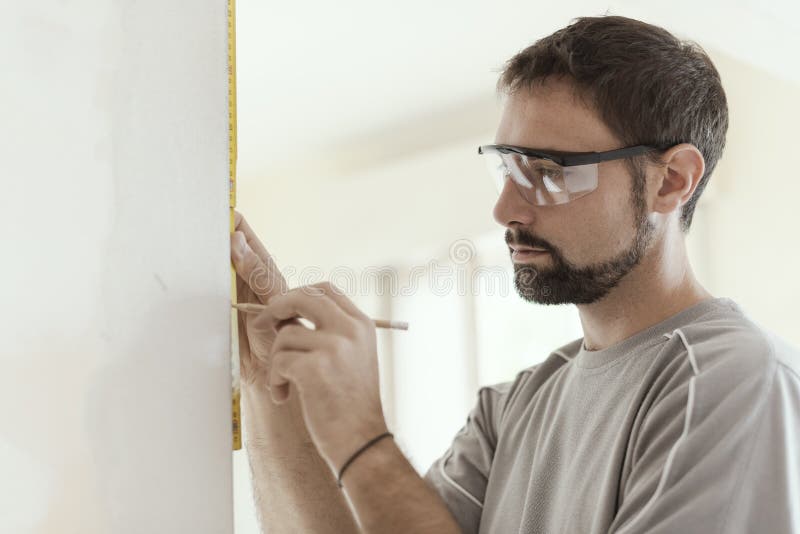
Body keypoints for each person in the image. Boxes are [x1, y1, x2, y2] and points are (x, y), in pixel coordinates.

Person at [230, 15, 800, 534]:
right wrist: (267, 387)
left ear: (672, 180)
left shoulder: (729, 378)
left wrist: (360, 433)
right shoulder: (511, 411)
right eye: (507, 167)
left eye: (549, 171)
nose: (505, 210)